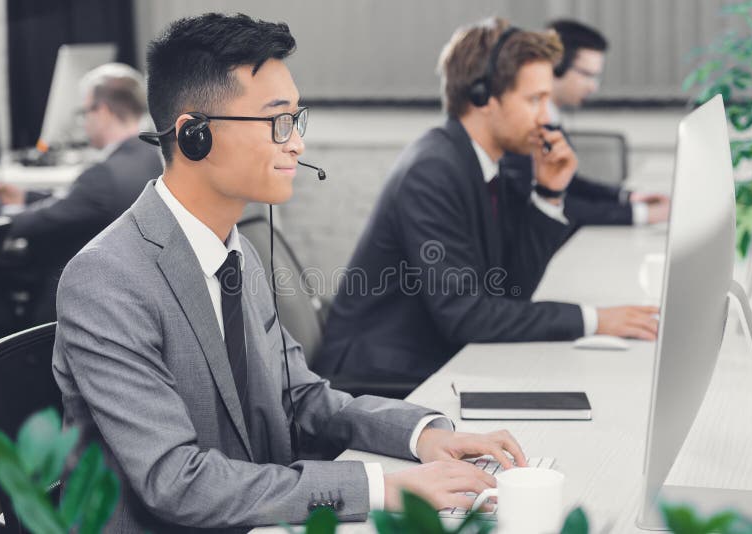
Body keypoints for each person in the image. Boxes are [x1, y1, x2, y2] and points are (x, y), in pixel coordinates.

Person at [53, 13, 529, 532]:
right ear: (195, 135)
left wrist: (422, 436)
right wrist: (383, 487)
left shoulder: (237, 252)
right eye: (277, 121)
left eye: (295, 120)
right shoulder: (107, 280)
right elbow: (177, 482)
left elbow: (298, 395)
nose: (297, 144)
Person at [315, 18, 659, 383]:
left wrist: (549, 194)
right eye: (534, 100)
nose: (547, 118)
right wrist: (593, 320)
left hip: (435, 358)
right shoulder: (432, 172)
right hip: (377, 376)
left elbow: (511, 290)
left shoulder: (487, 165)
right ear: (482, 97)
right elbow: (466, 316)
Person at [0, 63, 163, 329]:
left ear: (103, 111)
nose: (82, 123)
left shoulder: (103, 176)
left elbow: (32, 223)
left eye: (83, 113)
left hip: (78, 299)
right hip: (130, 292)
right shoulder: (151, 157)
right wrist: (25, 197)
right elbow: (76, 203)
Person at [503, 19, 670, 227]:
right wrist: (640, 214)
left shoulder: (550, 117)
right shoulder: (522, 127)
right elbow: (545, 202)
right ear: (556, 66)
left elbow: (567, 184)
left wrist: (625, 197)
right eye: (588, 75)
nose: (593, 87)